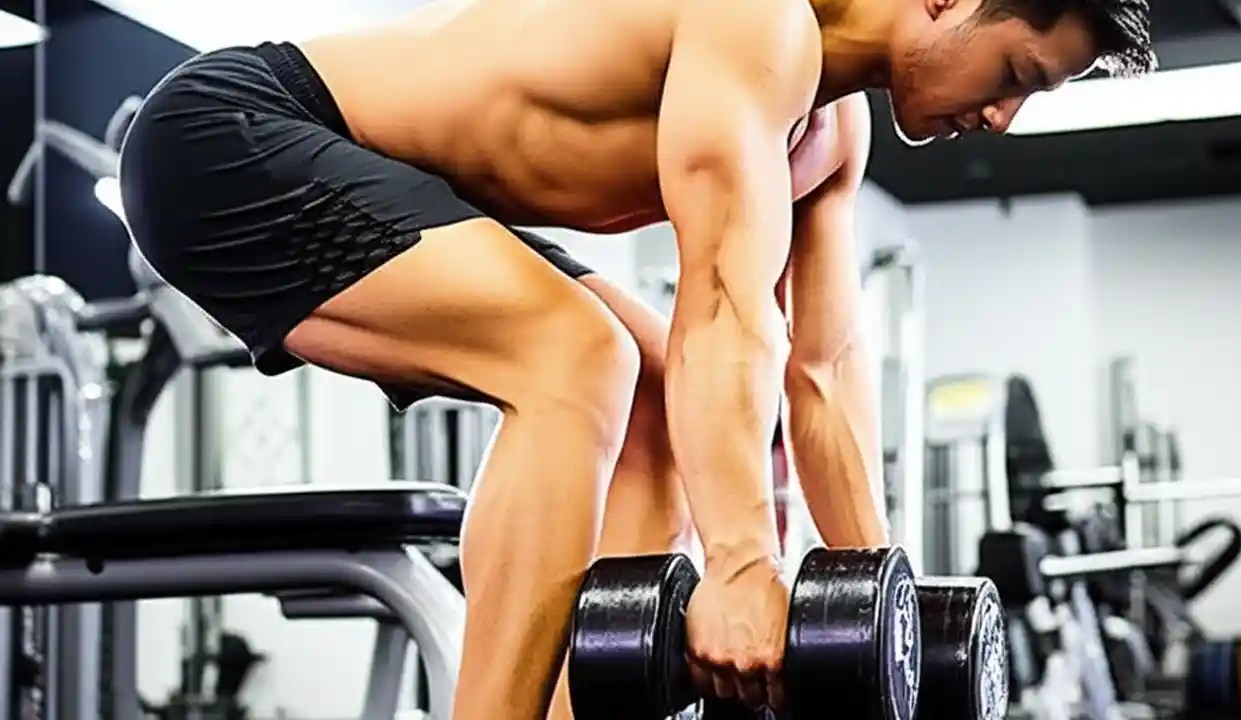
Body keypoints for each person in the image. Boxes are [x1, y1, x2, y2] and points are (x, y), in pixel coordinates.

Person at [117, 0, 1154, 714]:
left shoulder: (834, 132)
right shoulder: (756, 23)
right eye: (1015, 74)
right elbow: (719, 300)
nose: (1003, 117)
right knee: (578, 358)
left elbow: (823, 375)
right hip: (233, 132)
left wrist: (883, 606)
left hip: (386, 186)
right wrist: (741, 564)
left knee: (652, 389)